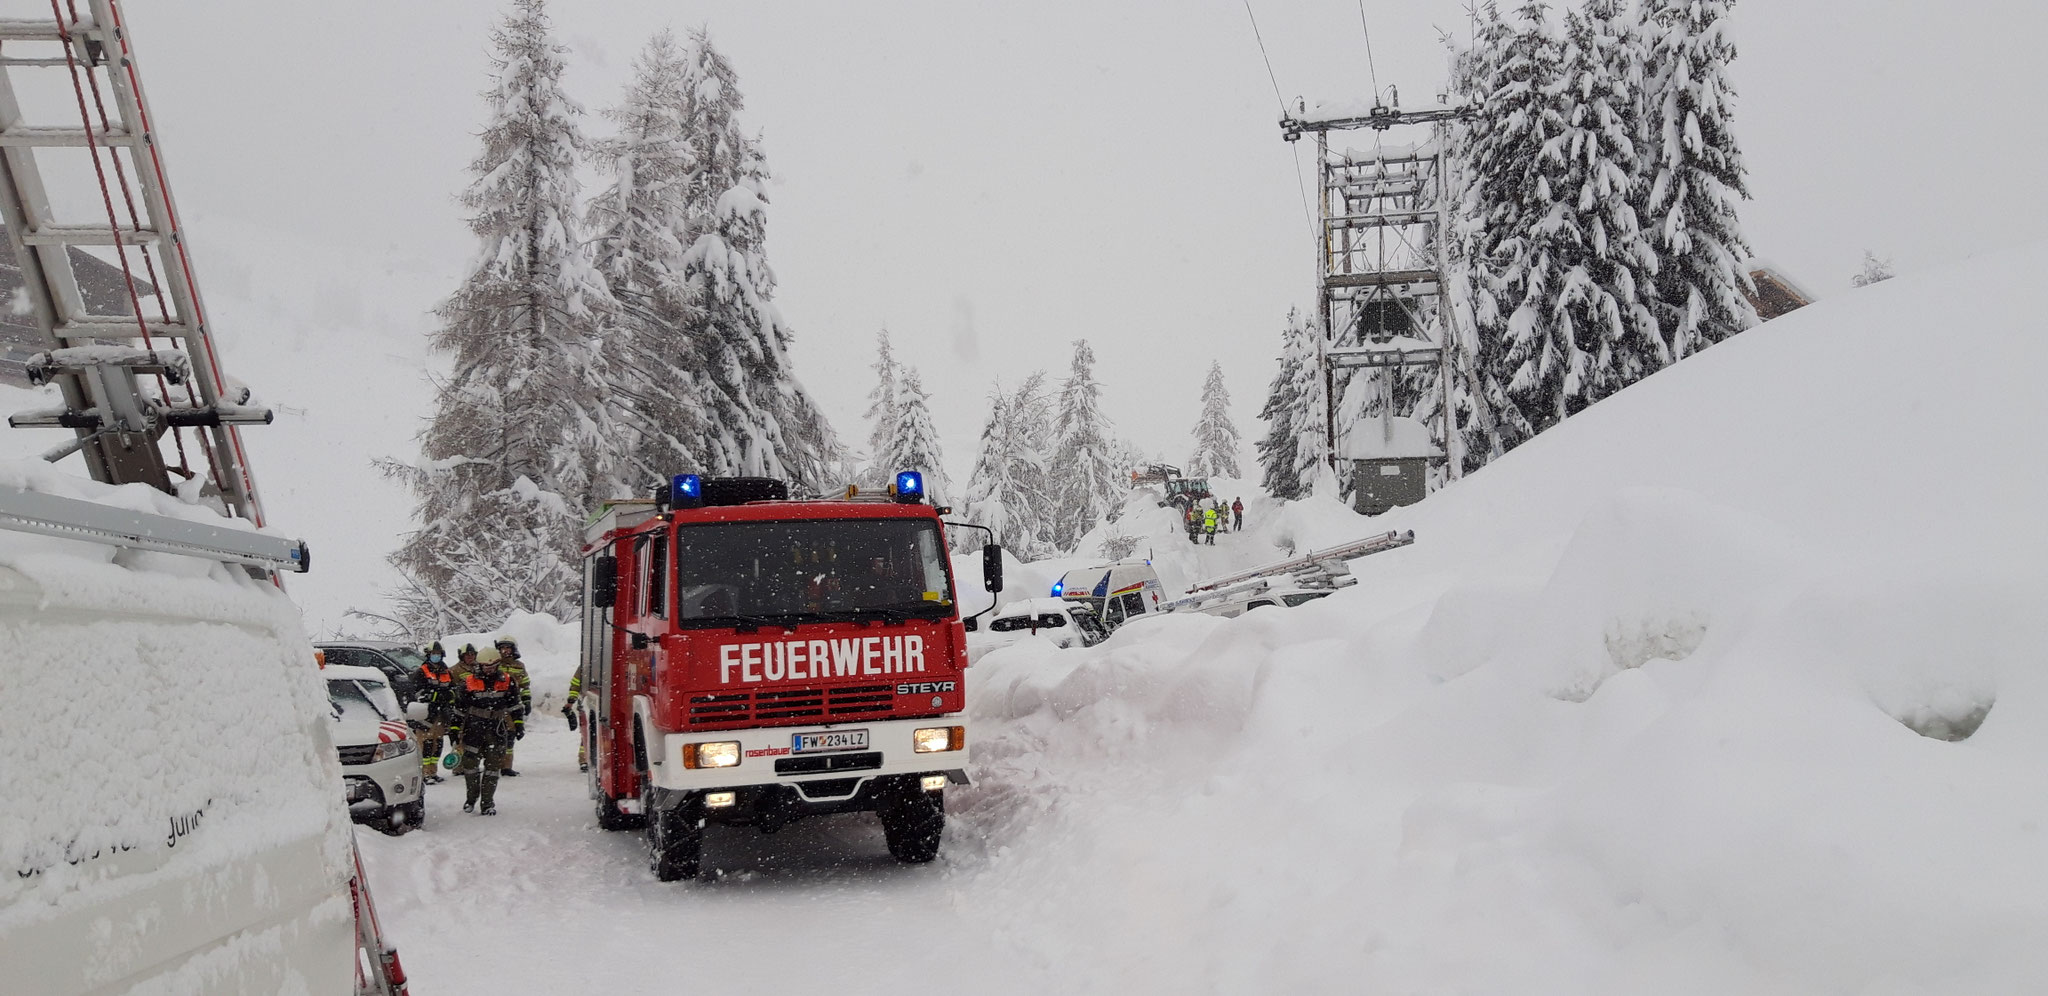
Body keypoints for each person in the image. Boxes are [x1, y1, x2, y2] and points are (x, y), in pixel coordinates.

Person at [448, 651, 523, 815]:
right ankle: (471, 798)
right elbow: (459, 708)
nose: (489, 669)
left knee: (492, 768)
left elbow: (515, 704)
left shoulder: (507, 681)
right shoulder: (468, 682)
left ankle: (487, 803)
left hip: (496, 729)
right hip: (473, 728)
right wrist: (454, 728)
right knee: (470, 766)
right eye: (485, 667)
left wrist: (518, 724)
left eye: (492, 666)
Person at [413, 642, 457, 784]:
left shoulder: (446, 671)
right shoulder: (421, 671)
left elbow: (453, 689)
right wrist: (435, 696)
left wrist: (450, 696)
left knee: (437, 742)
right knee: (425, 742)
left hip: (441, 713)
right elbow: (416, 692)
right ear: (428, 654)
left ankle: (433, 771)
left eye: (438, 653)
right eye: (433, 653)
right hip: (426, 714)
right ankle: (424, 773)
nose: (436, 656)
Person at [493, 638, 532, 777]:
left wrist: (527, 701)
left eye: (507, 648)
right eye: (502, 648)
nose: (505, 651)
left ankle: (506, 766)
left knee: (510, 734)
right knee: (494, 735)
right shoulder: (495, 663)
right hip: (495, 704)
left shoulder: (519, 666)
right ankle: (492, 764)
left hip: (512, 705)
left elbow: (525, 685)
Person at [565, 665, 587, 772]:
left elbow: (575, 684)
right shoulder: (585, 665)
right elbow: (575, 684)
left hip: (591, 703)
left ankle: (586, 759)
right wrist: (571, 701)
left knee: (589, 733)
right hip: (586, 704)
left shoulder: (587, 664)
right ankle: (584, 760)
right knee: (587, 733)